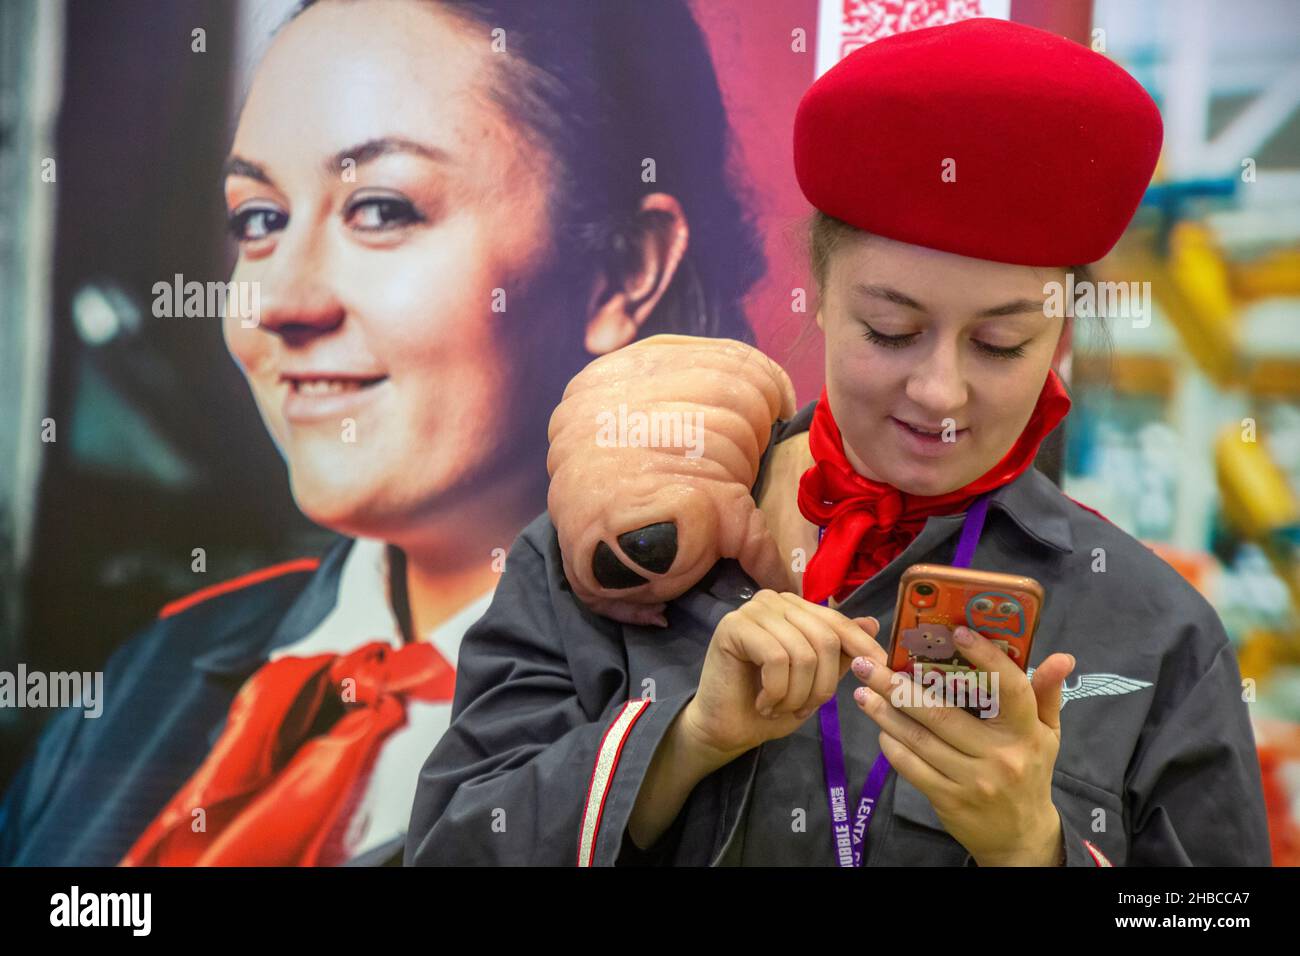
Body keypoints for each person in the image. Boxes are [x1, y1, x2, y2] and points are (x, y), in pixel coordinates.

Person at [405, 18, 1273, 866]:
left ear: (1062, 339)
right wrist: (679, 745)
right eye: (891, 330)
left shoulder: (1154, 631)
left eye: (1001, 344)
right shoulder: (626, 538)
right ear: (818, 293)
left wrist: (1034, 849)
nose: (940, 390)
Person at [0, 0, 762, 866]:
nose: (279, 305)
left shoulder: (747, 732)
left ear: (621, 270)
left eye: (381, 208)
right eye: (258, 219)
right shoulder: (147, 682)